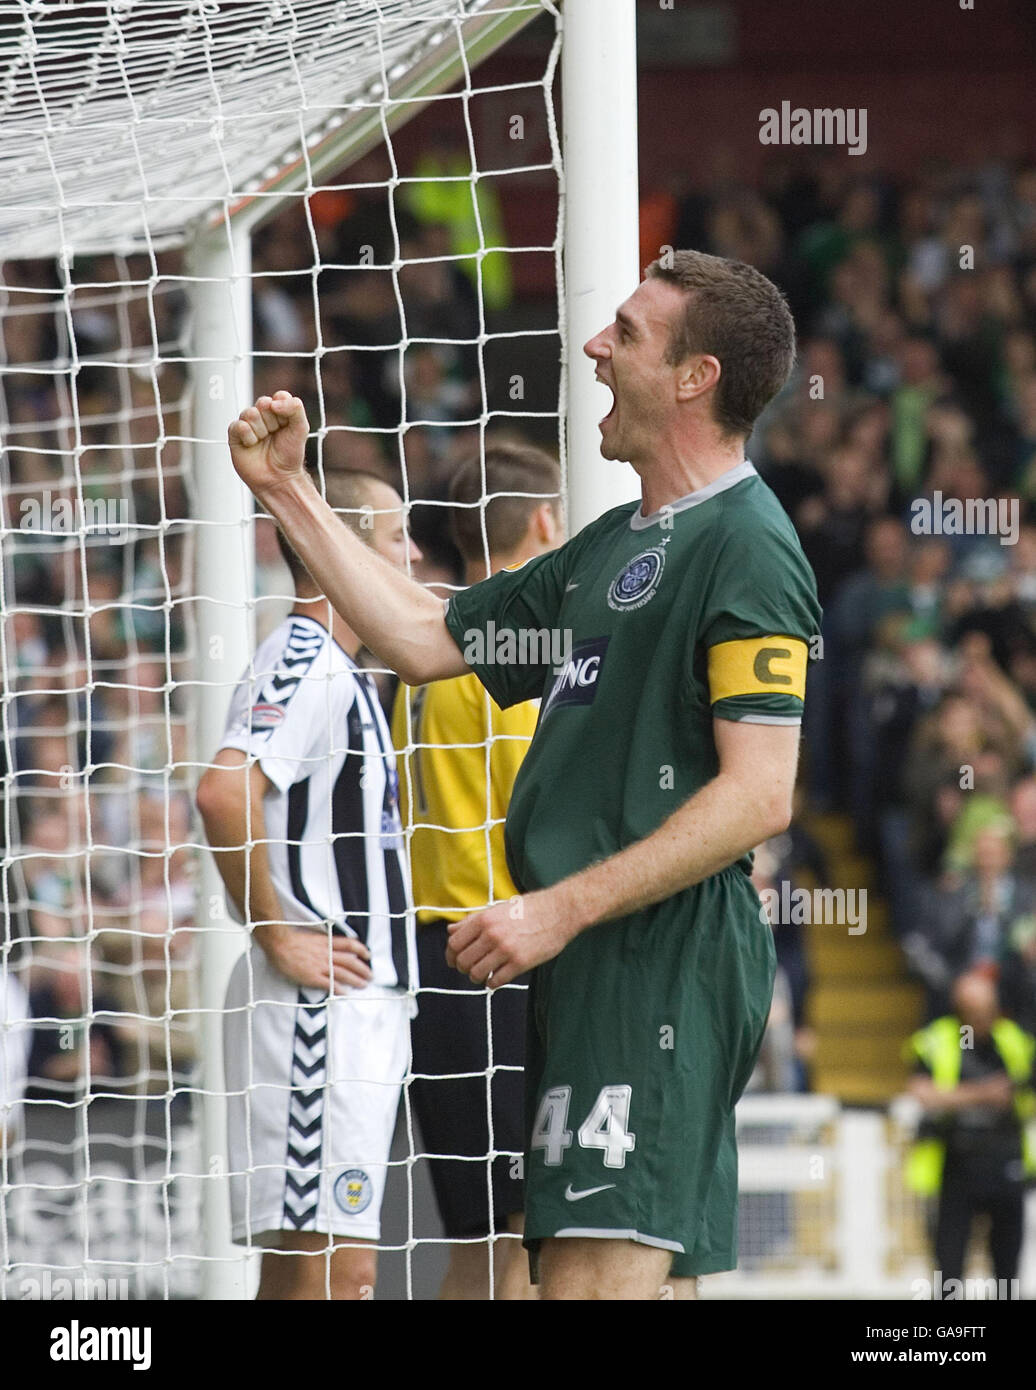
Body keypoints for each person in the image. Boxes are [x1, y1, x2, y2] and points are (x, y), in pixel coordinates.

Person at [227, 248, 821, 1300]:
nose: (594, 345)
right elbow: (419, 634)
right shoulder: (608, 547)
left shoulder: (748, 546)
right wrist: (290, 493)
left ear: (697, 377)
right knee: (604, 1274)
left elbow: (758, 792)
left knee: (582, 1282)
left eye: (627, 334)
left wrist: (560, 907)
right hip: (588, 961)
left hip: (655, 960)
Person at [196, 469, 421, 1301]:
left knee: (312, 1270)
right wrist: (273, 929)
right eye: (398, 535)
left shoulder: (344, 669)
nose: (416, 551)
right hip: (317, 1010)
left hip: (349, 1008)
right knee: (339, 1273)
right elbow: (224, 790)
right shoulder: (306, 658)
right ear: (341, 548)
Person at [391, 443, 562, 1300]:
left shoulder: (425, 652)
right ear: (544, 522)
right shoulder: (508, 651)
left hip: (433, 959)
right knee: (524, 1243)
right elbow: (544, 817)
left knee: (476, 1241)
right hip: (502, 955)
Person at [905, 971, 1035, 1291]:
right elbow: (922, 1092)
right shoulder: (937, 1040)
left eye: (987, 1010)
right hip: (956, 1163)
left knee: (1007, 1267)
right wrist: (983, 1094)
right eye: (973, 1012)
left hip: (1005, 1161)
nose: (981, 1019)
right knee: (949, 1262)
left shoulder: (1014, 1040)